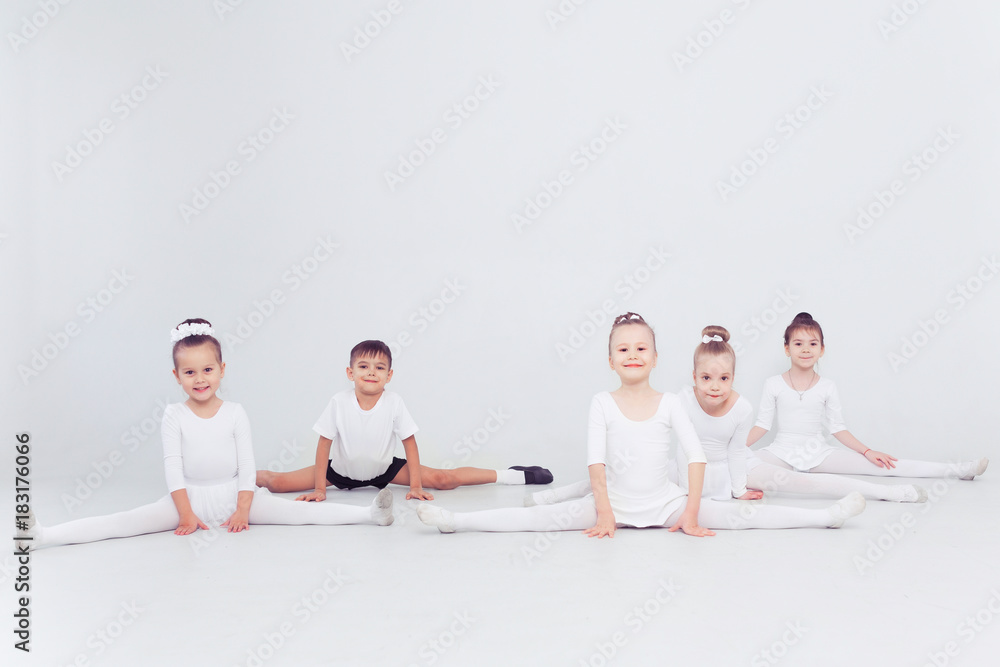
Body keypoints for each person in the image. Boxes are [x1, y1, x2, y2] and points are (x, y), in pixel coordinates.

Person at [417, 313, 865, 535]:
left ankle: (826, 516)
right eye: (624, 349)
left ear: (654, 357)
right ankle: (456, 522)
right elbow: (596, 464)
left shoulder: (670, 401)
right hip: (612, 504)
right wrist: (606, 511)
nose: (632, 355)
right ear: (611, 359)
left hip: (666, 503)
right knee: (540, 522)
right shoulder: (602, 402)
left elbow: (694, 457)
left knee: (741, 516)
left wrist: (689, 511)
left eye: (641, 349)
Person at [18, 319, 392, 551]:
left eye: (207, 370)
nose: (200, 380)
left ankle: (369, 516)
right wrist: (185, 514)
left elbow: (247, 466)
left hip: (237, 496)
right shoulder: (173, 415)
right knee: (123, 523)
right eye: (190, 373)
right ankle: (44, 536)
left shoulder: (234, 412)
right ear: (176, 376)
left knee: (300, 515)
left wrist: (244, 508)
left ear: (222, 370)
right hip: (188, 499)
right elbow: (173, 468)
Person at [256, 339, 552, 503]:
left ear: (389, 375)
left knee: (443, 480)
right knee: (279, 482)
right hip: (341, 472)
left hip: (386, 470)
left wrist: (416, 485)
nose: (371, 372)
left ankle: (513, 475)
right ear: (350, 373)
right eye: (363, 366)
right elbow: (323, 446)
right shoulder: (338, 402)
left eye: (379, 367)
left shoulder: (394, 402)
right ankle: (232, 476)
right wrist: (320, 488)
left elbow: (410, 444)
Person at [745, 312, 988, 484]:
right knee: (738, 467)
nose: (806, 349)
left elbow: (838, 428)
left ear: (822, 349)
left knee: (886, 467)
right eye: (798, 343)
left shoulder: (827, 386)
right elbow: (762, 425)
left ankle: (960, 469)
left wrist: (867, 451)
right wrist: (734, 448)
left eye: (812, 343)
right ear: (787, 348)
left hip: (819, 453)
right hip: (781, 452)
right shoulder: (773, 383)